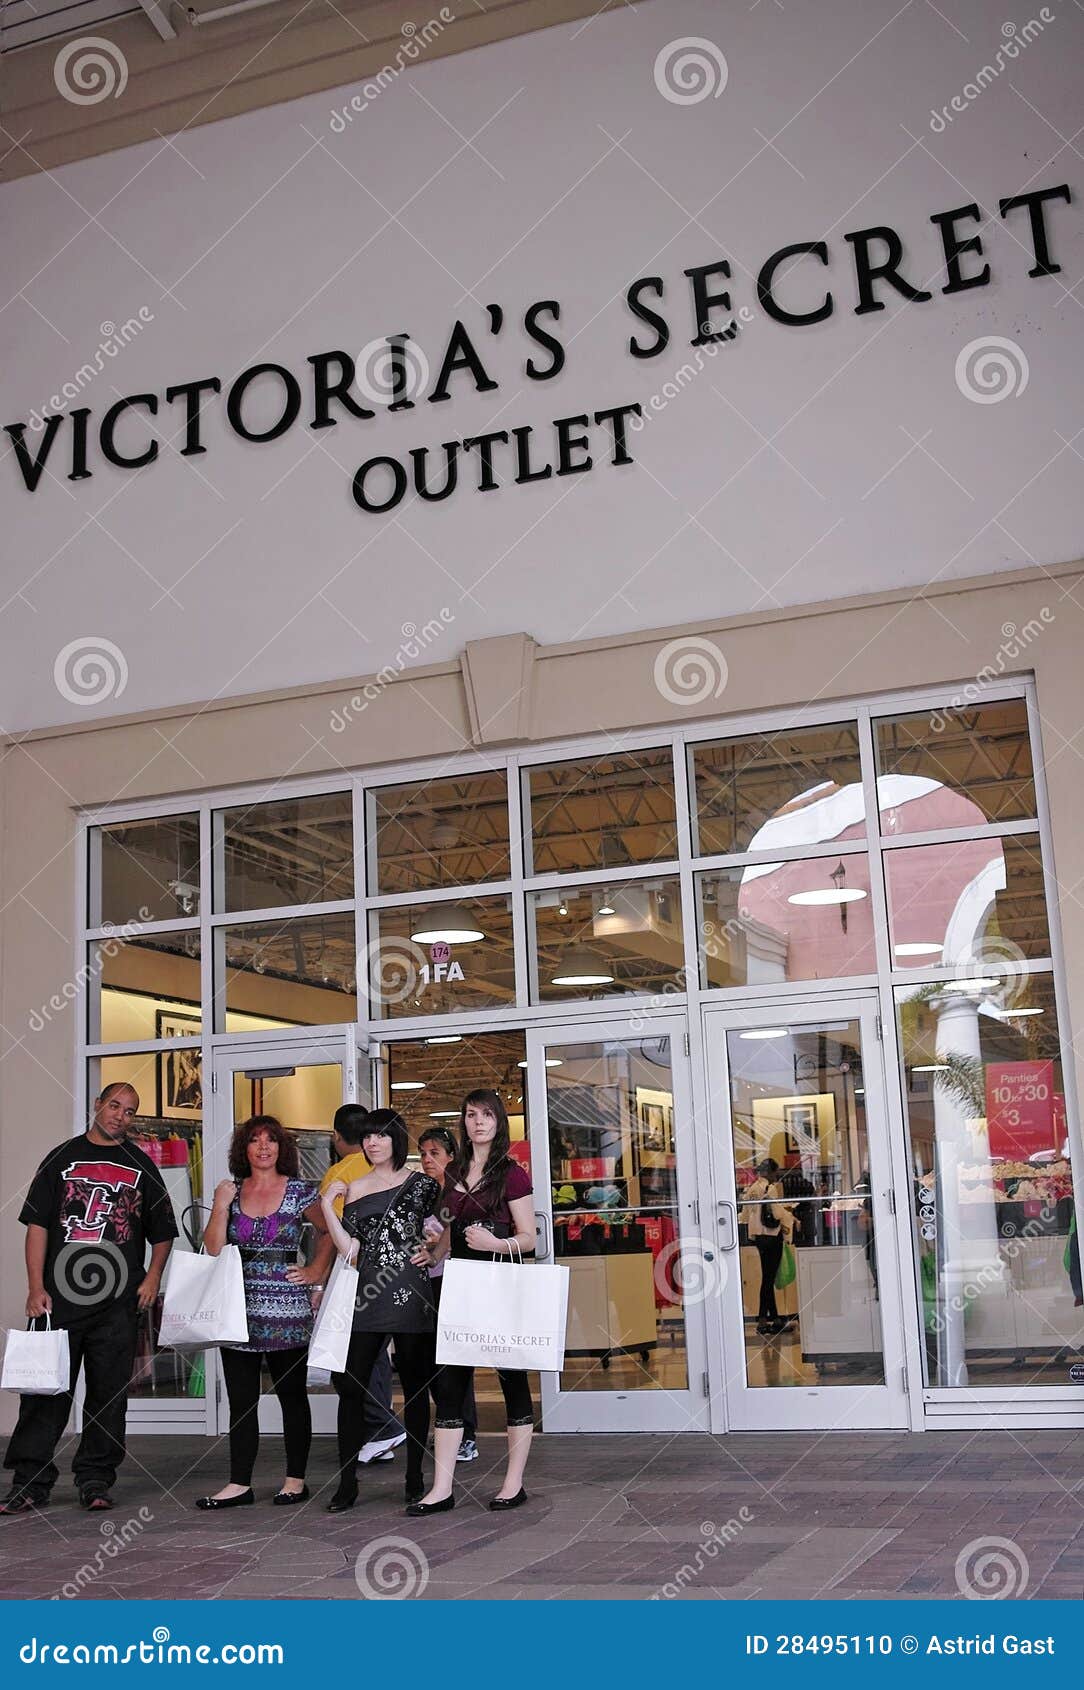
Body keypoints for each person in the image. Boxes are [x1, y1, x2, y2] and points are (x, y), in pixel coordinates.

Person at [1, 1083, 177, 1516]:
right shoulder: (61, 1158)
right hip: (58, 1300)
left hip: (118, 1302)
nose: (120, 1115)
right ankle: (29, 1483)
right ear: (97, 1105)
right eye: (114, 1105)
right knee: (45, 1393)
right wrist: (34, 1285)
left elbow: (164, 1231)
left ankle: (96, 1479)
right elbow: (38, 1225)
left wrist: (153, 1277)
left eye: (130, 1111)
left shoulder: (141, 1164)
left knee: (109, 1395)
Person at [194, 1115, 332, 1510]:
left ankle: (295, 1480)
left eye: (272, 1140)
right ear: (244, 1149)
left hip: (287, 1307)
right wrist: (220, 1205)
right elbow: (215, 1248)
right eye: (254, 1140)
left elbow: (327, 1233)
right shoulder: (231, 1193)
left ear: (281, 1148)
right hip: (237, 1308)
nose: (264, 1146)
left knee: (292, 1396)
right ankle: (239, 1483)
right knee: (241, 1400)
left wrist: (316, 1272)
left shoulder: (302, 1191)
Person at [409, 1090, 536, 1517]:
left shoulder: (512, 1174)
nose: (478, 1122)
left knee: (510, 1376)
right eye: (470, 1115)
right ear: (463, 1122)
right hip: (459, 1283)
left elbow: (529, 1238)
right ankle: (441, 1487)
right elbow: (448, 1228)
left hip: (498, 1282)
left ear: (499, 1121)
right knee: (450, 1381)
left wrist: (494, 1242)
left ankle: (513, 1483)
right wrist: (436, 1250)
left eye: (486, 1114)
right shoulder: (456, 1171)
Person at [320, 1109, 440, 1513]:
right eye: (368, 1137)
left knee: (417, 1388)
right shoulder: (354, 1187)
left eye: (381, 1136)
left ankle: (415, 1477)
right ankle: (347, 1481)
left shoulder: (422, 1183)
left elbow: (445, 1227)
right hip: (368, 1296)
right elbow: (349, 1251)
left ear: (396, 1140)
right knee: (351, 1387)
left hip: (411, 1294)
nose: (373, 1143)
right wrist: (326, 1204)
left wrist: (434, 1251)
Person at [319, 1104, 405, 1467]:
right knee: (377, 1359)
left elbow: (333, 1235)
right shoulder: (394, 1171)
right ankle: (378, 1434)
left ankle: (383, 1426)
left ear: (338, 1137)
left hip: (358, 1275)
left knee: (350, 1358)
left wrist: (316, 1278)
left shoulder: (339, 1174)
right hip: (395, 1277)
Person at [418, 1126, 478, 1463]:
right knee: (431, 1359)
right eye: (423, 1153)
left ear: (451, 1156)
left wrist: (436, 1244)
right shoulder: (423, 1193)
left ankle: (466, 1432)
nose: (427, 1160)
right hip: (427, 1280)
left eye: (435, 1153)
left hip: (455, 1281)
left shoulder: (460, 1194)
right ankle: (446, 1425)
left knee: (455, 1360)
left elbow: (462, 1235)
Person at [741, 1158, 792, 1336]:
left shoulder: (752, 1189)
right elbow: (777, 1212)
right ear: (770, 1172)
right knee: (768, 1279)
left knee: (767, 1277)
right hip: (772, 1235)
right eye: (775, 1172)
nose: (776, 1175)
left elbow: (745, 1214)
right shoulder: (771, 1188)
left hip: (758, 1236)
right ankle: (763, 1320)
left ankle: (775, 1319)